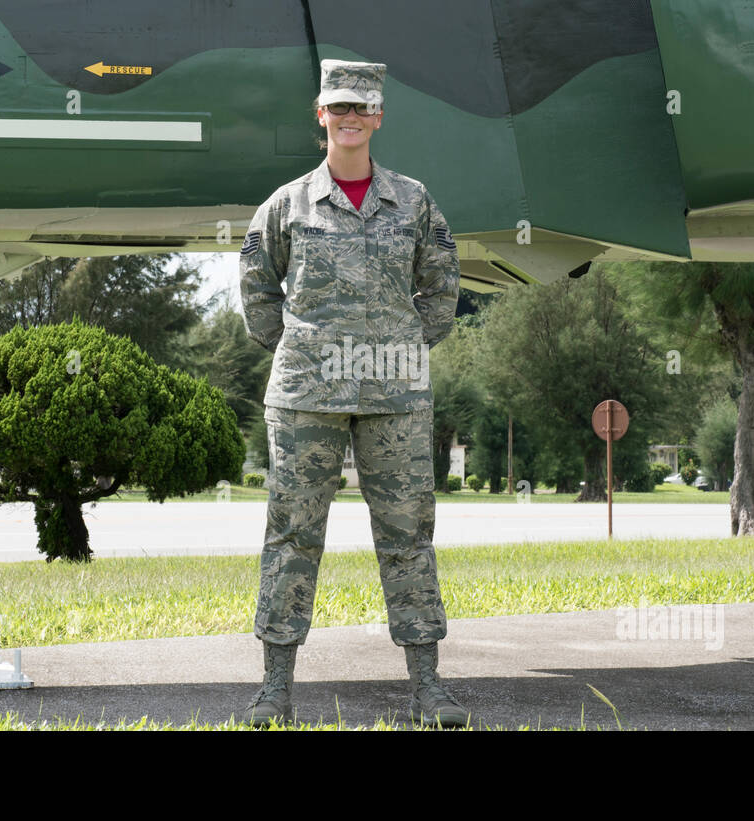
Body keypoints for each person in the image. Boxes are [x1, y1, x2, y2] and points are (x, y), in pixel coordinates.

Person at [238, 59, 466, 727]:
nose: (349, 118)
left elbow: (444, 287)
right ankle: (275, 691)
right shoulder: (286, 205)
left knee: (408, 537)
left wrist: (399, 344)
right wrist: (300, 349)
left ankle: (429, 691)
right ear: (320, 114)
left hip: (395, 397)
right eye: (338, 107)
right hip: (307, 396)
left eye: (361, 108)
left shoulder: (414, 201)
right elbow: (255, 285)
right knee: (291, 536)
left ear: (379, 118)